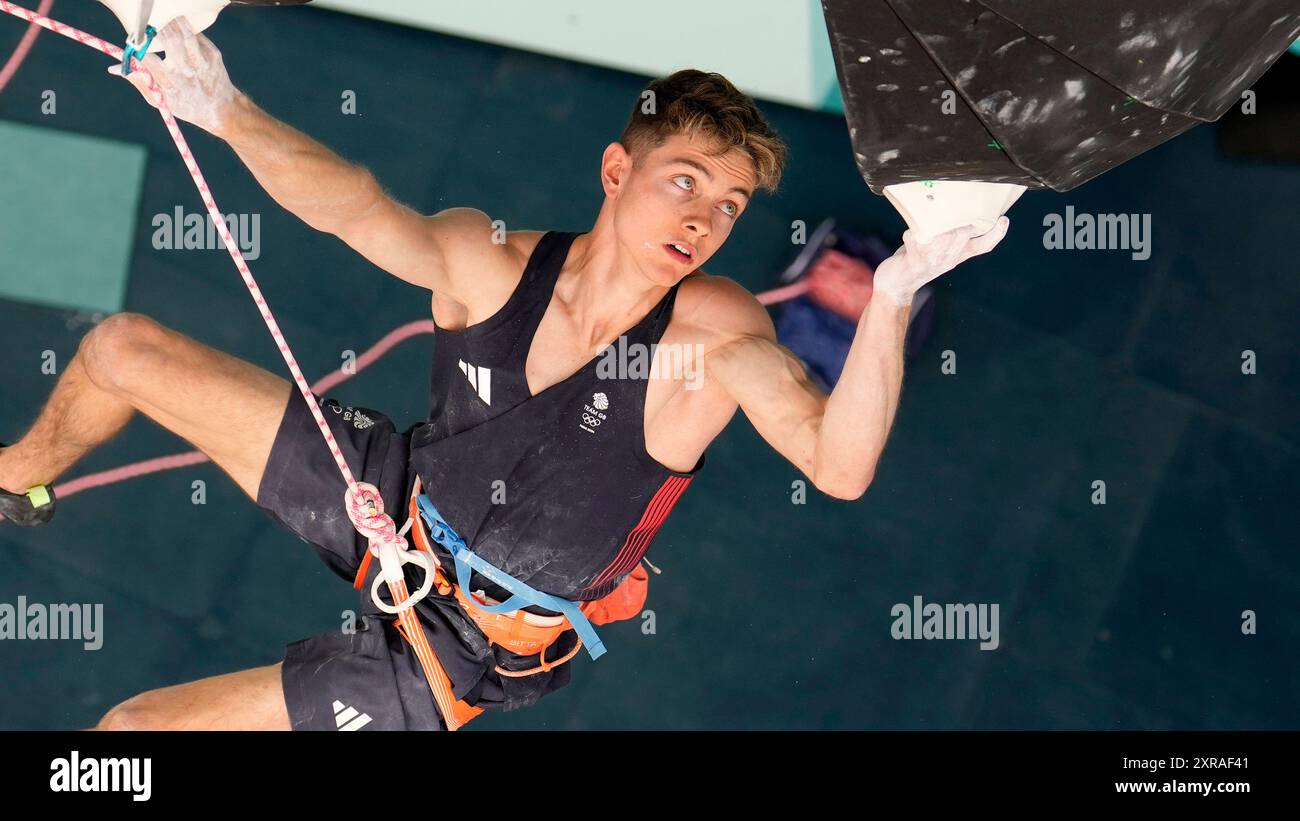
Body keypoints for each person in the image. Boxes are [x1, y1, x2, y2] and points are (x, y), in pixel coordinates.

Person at [0, 18, 1009, 730]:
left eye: (730, 205)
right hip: (398, 502)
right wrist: (220, 106)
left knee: (129, 729)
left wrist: (894, 294)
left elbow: (836, 464)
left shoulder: (712, 338)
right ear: (617, 172)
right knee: (120, 349)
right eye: (685, 183)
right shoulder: (495, 262)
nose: (704, 220)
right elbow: (357, 207)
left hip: (474, 643)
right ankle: (15, 477)